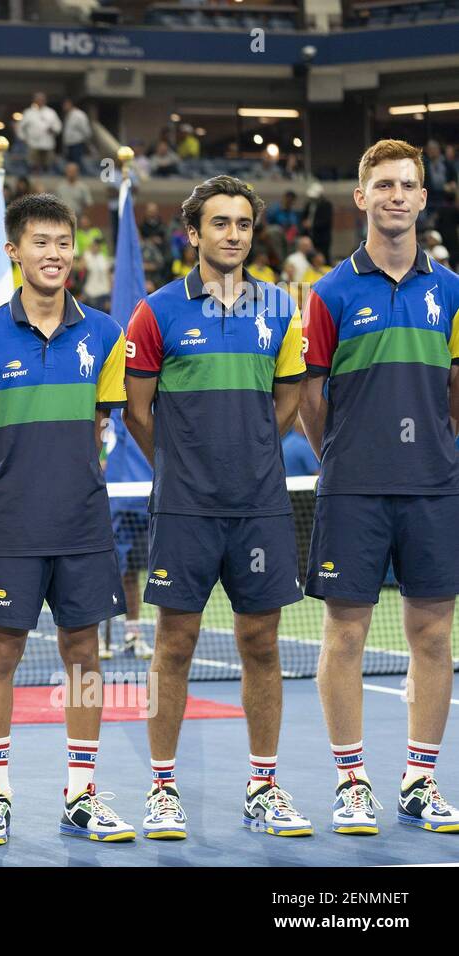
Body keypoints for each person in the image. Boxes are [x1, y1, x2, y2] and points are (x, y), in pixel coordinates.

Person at [125, 175, 311, 841]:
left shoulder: (281, 309)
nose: (233, 235)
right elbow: (137, 411)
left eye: (243, 224)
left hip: (259, 505)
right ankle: (163, 788)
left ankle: (263, 786)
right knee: (175, 644)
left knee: (260, 643)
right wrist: (183, 465)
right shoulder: (157, 312)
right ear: (194, 233)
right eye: (220, 224)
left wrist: (252, 452)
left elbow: (287, 401)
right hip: (185, 508)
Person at [0, 193, 135, 846]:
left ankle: (82, 795)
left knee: (83, 652)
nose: (54, 254)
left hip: (84, 523)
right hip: (11, 523)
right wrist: (12, 486)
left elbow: (99, 428)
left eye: (64, 242)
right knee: (0, 652)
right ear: (13, 251)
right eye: (41, 242)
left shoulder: (107, 333)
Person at [299, 139, 459, 836]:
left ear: (424, 198)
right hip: (353, 489)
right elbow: (310, 394)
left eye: (408, 185)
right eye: (383, 185)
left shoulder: (452, 293)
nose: (397, 195)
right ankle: (352, 780)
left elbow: (455, 390)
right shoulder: (329, 293)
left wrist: (440, 452)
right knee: (346, 634)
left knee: (433, 635)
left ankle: (421, 780)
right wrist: (340, 455)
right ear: (360, 199)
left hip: (433, 487)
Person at [17, 92, 61, 174]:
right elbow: (20, 127)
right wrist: (23, 138)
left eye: (42, 100)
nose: (40, 101)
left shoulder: (51, 112)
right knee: (33, 165)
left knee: (48, 165)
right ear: (34, 101)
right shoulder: (28, 112)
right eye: (38, 100)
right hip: (33, 143)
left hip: (48, 143)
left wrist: (53, 129)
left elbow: (58, 126)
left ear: (45, 101)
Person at [60, 99, 91, 166]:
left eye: (65, 105)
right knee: (70, 162)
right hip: (69, 143)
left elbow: (85, 129)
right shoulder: (68, 115)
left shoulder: (79, 115)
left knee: (76, 162)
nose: (64, 107)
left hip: (77, 143)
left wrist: (87, 141)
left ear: (70, 104)